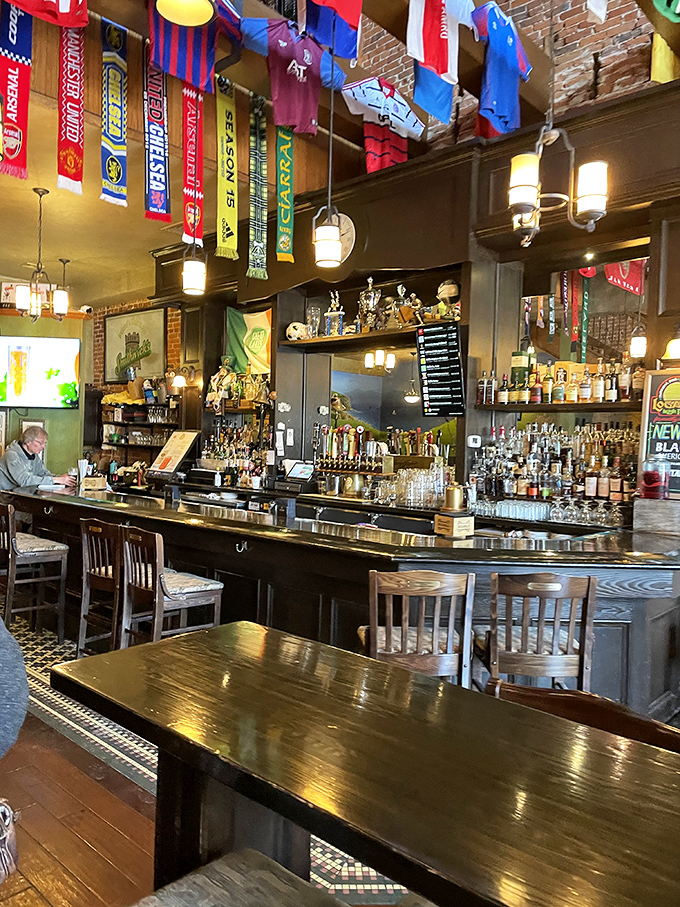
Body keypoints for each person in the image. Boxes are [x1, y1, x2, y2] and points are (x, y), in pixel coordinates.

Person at [0, 427, 76, 491]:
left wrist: (59, 477)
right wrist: (55, 480)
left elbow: (43, 474)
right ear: (28, 441)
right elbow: (24, 481)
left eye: (45, 443)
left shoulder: (34, 455)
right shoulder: (11, 455)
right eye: (40, 443)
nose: (43, 447)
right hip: (5, 497)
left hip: (22, 495)